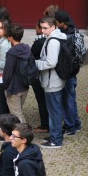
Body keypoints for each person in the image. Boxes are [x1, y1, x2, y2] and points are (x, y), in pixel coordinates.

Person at [35, 17, 66, 148]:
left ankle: (56, 140)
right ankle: (55, 134)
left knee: (54, 112)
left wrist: (35, 63)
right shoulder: (59, 37)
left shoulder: (53, 41)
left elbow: (51, 62)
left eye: (45, 28)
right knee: (55, 110)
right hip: (55, 79)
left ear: (53, 27)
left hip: (52, 81)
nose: (42, 30)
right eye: (41, 27)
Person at [55, 9, 84, 137]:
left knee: (67, 99)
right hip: (73, 70)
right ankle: (76, 123)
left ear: (62, 23)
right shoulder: (76, 30)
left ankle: (70, 126)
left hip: (67, 71)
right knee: (71, 98)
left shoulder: (67, 36)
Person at [3, 24, 31, 124]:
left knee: (17, 116)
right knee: (19, 112)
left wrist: (5, 86)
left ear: (10, 37)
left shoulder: (11, 53)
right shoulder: (27, 48)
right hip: (25, 86)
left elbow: (7, 73)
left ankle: (24, 136)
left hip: (14, 88)